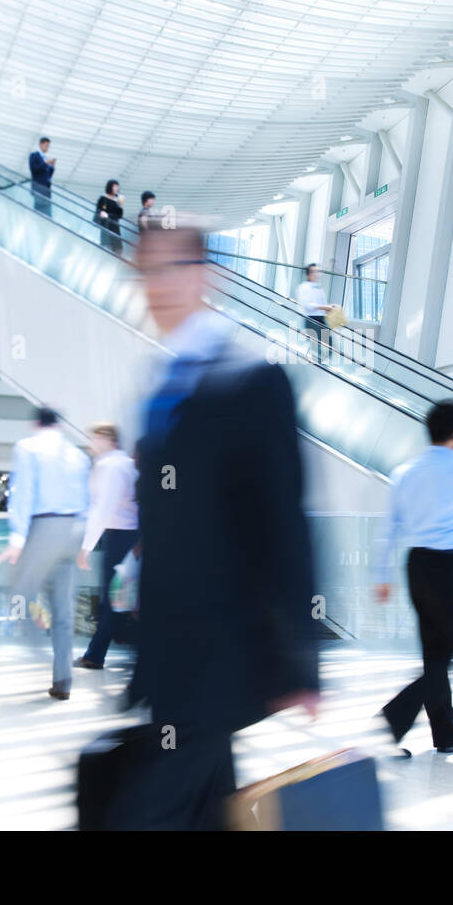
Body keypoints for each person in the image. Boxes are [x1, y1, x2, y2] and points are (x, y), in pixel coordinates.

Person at [119, 218, 319, 829]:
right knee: (206, 808)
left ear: (207, 275)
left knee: (149, 811)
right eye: (144, 272)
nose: (155, 285)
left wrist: (300, 660)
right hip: (171, 653)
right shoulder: (160, 385)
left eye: (169, 268)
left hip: (219, 653)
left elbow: (285, 521)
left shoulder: (253, 381)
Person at [374, 398, 453, 754]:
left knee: (434, 655)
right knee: (447, 656)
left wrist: (381, 575)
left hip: (417, 567)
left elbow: (388, 529)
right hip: (449, 568)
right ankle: (392, 720)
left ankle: (446, 733)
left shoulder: (405, 472)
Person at [0, 407, 89, 700]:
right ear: (60, 426)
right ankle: (63, 682)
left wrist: (17, 538)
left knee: (18, 594)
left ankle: (34, 650)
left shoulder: (28, 447)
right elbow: (87, 500)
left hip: (44, 527)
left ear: (35, 424)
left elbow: (22, 493)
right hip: (73, 530)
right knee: (63, 612)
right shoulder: (78, 455)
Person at [74, 422, 139, 671]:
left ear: (106, 438)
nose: (90, 443)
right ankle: (98, 654)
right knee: (123, 596)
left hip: (120, 538)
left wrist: (86, 547)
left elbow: (103, 508)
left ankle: (95, 655)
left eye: (93, 437)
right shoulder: (126, 463)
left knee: (113, 597)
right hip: (133, 537)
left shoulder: (109, 465)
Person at [295, 264, 337, 363]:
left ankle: (321, 363)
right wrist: (325, 307)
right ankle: (316, 363)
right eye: (314, 272)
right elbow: (307, 305)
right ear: (308, 275)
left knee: (330, 345)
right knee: (316, 345)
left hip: (321, 318)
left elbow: (322, 306)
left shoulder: (320, 289)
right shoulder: (303, 287)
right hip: (311, 319)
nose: (317, 274)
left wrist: (330, 308)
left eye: (318, 272)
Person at [96, 180, 125, 253]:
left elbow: (119, 215)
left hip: (115, 227)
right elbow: (100, 211)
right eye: (115, 187)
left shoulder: (117, 200)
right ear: (109, 187)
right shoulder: (103, 199)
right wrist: (103, 213)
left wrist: (121, 206)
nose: (116, 189)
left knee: (118, 250)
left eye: (117, 187)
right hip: (106, 226)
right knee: (107, 248)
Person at [29, 137, 55, 217]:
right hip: (38, 188)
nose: (47, 148)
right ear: (41, 144)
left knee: (47, 213)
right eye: (46, 145)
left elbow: (48, 176)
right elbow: (34, 169)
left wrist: (52, 167)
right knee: (39, 212)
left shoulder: (45, 158)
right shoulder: (34, 155)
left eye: (48, 146)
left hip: (46, 190)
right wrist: (46, 163)